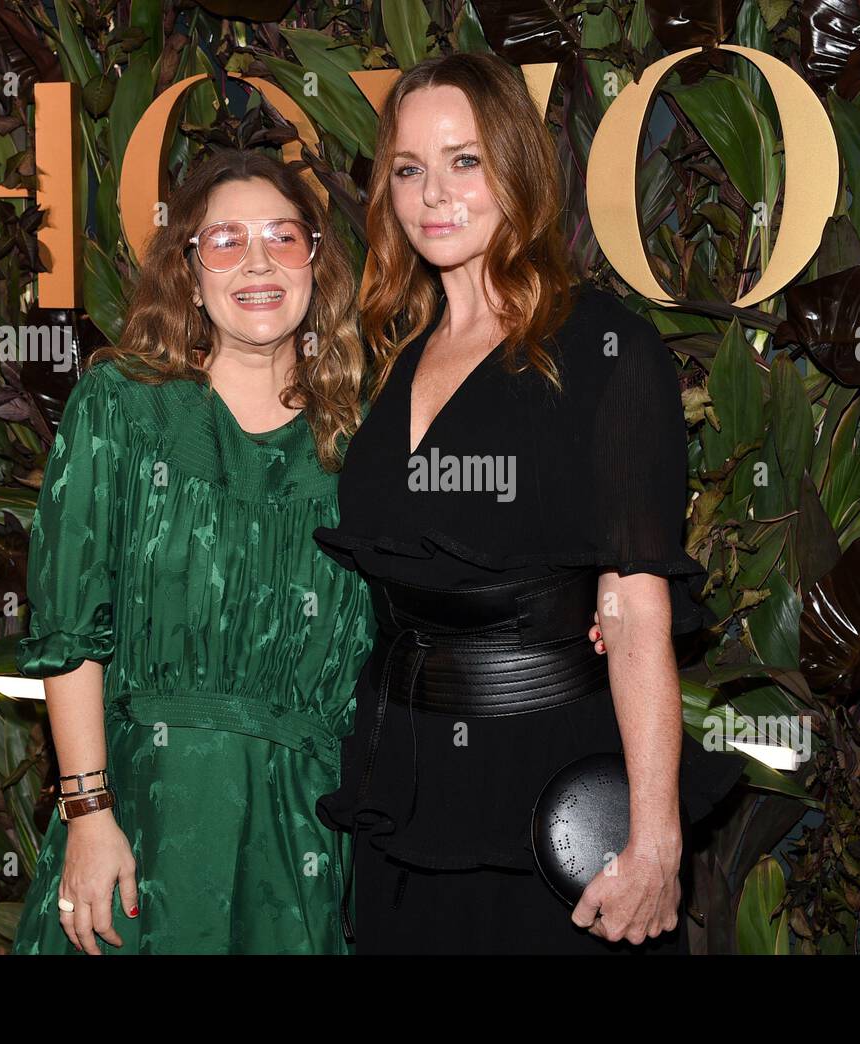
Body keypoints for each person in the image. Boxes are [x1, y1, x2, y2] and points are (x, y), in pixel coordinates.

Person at [313, 53, 744, 955]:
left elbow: (634, 611)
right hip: (405, 780)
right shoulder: (395, 349)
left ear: (517, 168)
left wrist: (659, 836)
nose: (435, 192)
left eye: (464, 161)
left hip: (548, 779)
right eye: (408, 168)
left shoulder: (605, 350)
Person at [12, 149, 372, 954]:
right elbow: (70, 630)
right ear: (189, 267)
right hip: (145, 821)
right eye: (225, 240)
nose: (256, 262)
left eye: (282, 237)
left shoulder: (362, 443)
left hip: (303, 843)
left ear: (317, 259)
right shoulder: (123, 408)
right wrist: (88, 814)